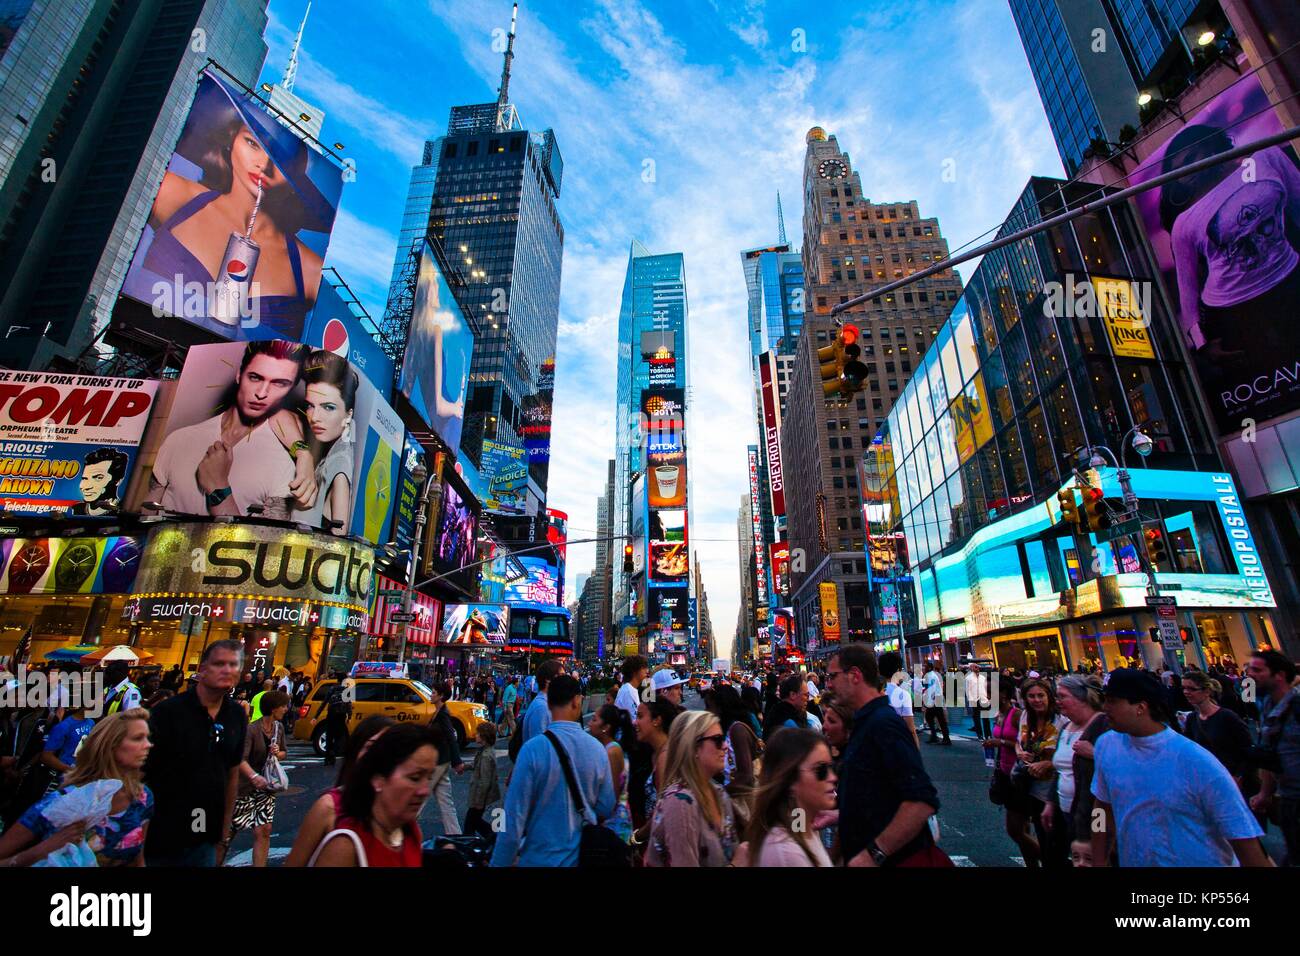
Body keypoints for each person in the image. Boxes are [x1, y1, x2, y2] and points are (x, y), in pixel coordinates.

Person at [138, 70, 329, 337]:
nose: (263, 165)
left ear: (296, 182)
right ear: (231, 142)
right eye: (252, 143)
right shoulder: (174, 194)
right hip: (148, 344)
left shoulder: (310, 270)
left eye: (282, 164)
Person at [1091, 668, 1270, 867]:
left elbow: (1244, 841)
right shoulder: (1106, 746)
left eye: (1112, 701)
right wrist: (1098, 859)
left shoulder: (1196, 762)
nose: (1104, 707)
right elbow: (1101, 811)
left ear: (1141, 707)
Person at [149, 339, 313, 520]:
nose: (261, 393)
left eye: (279, 383)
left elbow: (266, 543)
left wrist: (219, 488)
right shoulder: (179, 439)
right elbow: (146, 513)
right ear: (239, 375)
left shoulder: (286, 466)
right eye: (255, 377)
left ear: (290, 389)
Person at [825, 644, 945, 867]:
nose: (828, 684)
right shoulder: (864, 723)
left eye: (832, 676)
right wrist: (840, 816)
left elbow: (922, 801)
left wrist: (874, 853)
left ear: (854, 676)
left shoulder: (883, 724)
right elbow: (876, 798)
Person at [0, 708, 154, 867]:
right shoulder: (62, 802)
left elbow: (137, 860)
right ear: (110, 745)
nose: (148, 745)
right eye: (138, 738)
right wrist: (40, 851)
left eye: (147, 738)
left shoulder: (142, 797)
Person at [142, 639, 247, 867]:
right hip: (161, 834)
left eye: (233, 664)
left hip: (205, 839)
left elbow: (232, 774)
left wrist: (223, 836)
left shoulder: (237, 715)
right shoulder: (168, 712)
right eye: (219, 663)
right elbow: (142, 777)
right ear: (202, 669)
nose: (227, 670)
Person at [491, 675, 615, 866]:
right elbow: (606, 805)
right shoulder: (597, 749)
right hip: (579, 858)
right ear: (576, 701)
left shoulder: (532, 750)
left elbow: (513, 820)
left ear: (548, 704)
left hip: (536, 858)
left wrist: (498, 863)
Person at [308, 724, 438, 867]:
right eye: (415, 778)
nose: (424, 791)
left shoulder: (411, 832)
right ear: (379, 780)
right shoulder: (347, 846)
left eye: (429, 778)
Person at [284, 714, 393, 867]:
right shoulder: (329, 808)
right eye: (370, 747)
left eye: (389, 749)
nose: (378, 756)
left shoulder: (401, 813)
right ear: (355, 752)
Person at [644, 711, 738, 867]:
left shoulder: (718, 792)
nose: (726, 745)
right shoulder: (679, 803)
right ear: (693, 748)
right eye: (718, 740)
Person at [745, 727, 836, 867]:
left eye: (831, 767)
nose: (832, 777)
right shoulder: (787, 853)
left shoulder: (800, 824)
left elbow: (798, 829)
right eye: (821, 770)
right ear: (791, 779)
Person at [1041, 675, 1105, 867]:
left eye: (1062, 696)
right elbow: (1060, 770)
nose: (1058, 701)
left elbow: (1119, 768)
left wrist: (1095, 754)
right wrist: (1051, 803)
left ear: (1082, 698)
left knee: (1094, 857)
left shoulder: (1103, 726)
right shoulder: (1066, 726)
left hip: (1095, 811)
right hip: (1064, 810)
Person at [1247, 650, 1300, 866]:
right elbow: (1269, 754)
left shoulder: (1297, 706)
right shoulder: (1267, 706)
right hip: (1288, 797)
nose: (1250, 674)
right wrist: (1265, 793)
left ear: (1278, 675)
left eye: (1257, 670)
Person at [229, 690, 288, 867]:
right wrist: (253, 776)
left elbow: (284, 753)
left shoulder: (279, 728)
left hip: (267, 786)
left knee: (264, 830)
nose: (286, 709)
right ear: (273, 708)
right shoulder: (251, 730)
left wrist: (278, 753)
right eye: (283, 706)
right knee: (230, 831)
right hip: (245, 787)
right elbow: (240, 758)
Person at [1014, 677, 1061, 867]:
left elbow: (1071, 753)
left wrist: (1049, 764)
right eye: (1031, 696)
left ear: (1049, 696)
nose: (1036, 700)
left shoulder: (1061, 720)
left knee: (1057, 840)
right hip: (1031, 785)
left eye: (1040, 695)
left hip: (1056, 789)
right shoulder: (1026, 716)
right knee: (1042, 835)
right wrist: (1020, 752)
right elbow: (1019, 741)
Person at [1182, 670, 1253, 791]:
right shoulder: (1192, 719)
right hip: (1209, 780)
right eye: (1184, 688)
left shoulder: (1227, 716)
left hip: (1232, 779)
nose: (1186, 692)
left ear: (1207, 691)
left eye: (1192, 689)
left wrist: (1238, 776)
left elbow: (1247, 748)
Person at [631, 696, 679, 836]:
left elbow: (663, 811)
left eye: (640, 716)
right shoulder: (655, 753)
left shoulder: (665, 757)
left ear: (656, 720)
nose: (635, 722)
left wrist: (637, 837)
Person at [588, 704, 634, 844]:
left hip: (615, 821)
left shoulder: (611, 751)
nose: (589, 723)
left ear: (606, 727)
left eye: (594, 720)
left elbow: (612, 795)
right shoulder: (607, 748)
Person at [427, 681, 465, 835]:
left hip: (438, 762)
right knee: (446, 802)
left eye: (434, 692)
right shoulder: (439, 712)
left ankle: (401, 835)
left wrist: (457, 761)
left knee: (419, 796)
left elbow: (451, 737)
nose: (431, 694)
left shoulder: (443, 714)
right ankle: (455, 835)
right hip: (441, 761)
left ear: (441, 696)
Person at [40, 704, 95, 787]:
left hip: (80, 778)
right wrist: (71, 770)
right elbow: (46, 756)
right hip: (62, 779)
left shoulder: (91, 723)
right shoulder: (64, 726)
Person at [464, 722, 500, 842]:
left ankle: (471, 843)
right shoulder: (484, 751)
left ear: (484, 737)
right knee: (475, 822)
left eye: (478, 733)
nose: (476, 735)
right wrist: (465, 767)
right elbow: (475, 765)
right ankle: (493, 839)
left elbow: (485, 781)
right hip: (480, 797)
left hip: (479, 798)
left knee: (471, 823)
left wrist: (479, 802)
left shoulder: (485, 755)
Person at [71, 447, 129, 516]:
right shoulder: (77, 509)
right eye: (84, 478)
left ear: (118, 481)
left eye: (98, 478)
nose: (86, 486)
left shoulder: (124, 509)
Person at [520, 659, 564, 747]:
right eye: (561, 676)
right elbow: (540, 749)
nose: (565, 680)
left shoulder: (547, 704)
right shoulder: (541, 708)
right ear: (548, 680)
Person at [878, 652, 919, 747]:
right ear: (898, 671)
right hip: (897, 745)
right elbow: (911, 729)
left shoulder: (872, 693)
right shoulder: (903, 694)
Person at [762, 673, 811, 741]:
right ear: (793, 695)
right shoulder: (788, 724)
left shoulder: (778, 712)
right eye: (806, 695)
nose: (808, 699)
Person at [322, 678, 353, 767]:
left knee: (329, 736)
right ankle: (334, 752)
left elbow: (324, 702)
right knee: (339, 736)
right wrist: (349, 716)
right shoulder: (346, 690)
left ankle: (328, 757)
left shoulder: (332, 689)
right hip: (341, 716)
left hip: (331, 715)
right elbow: (349, 704)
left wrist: (316, 716)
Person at [921, 660, 950, 745]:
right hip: (935, 699)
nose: (923, 668)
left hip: (935, 700)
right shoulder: (930, 675)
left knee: (939, 719)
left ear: (929, 667)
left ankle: (945, 738)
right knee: (932, 718)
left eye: (925, 666)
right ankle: (937, 736)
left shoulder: (931, 676)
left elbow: (932, 690)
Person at [964, 663, 991, 740]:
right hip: (975, 700)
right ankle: (980, 735)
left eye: (978, 667)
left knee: (986, 718)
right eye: (975, 667)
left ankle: (988, 734)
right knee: (977, 718)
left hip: (984, 699)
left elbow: (986, 687)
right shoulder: (968, 678)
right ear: (971, 668)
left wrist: (988, 696)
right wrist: (971, 700)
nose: (977, 668)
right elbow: (967, 690)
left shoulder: (983, 677)